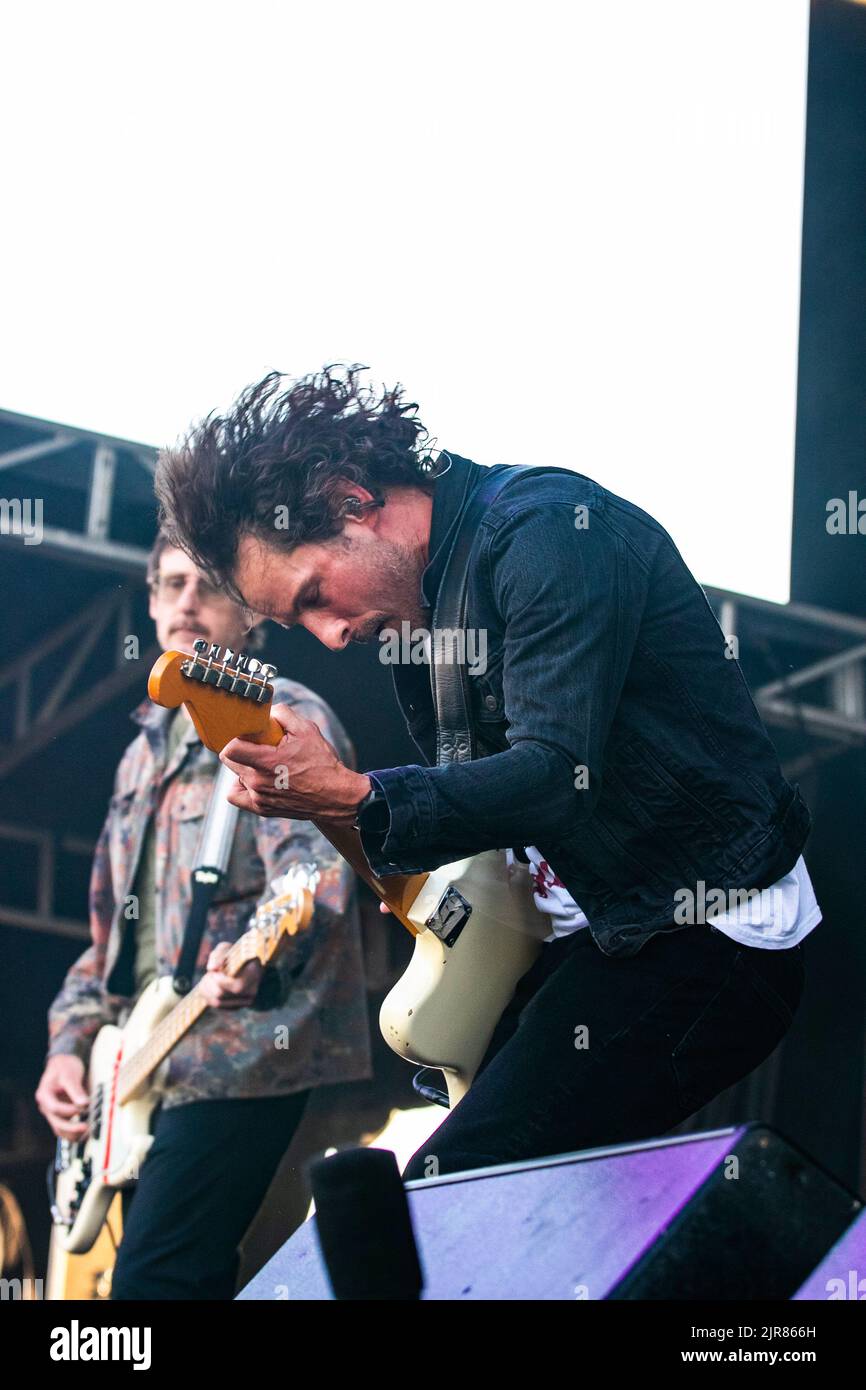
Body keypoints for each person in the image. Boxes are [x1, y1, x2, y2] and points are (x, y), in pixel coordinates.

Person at [153, 365, 820, 1183]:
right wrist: (335, 812)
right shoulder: (421, 622)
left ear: (351, 499)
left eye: (317, 594)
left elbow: (553, 778)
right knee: (531, 1208)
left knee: (464, 1184)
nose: (328, 636)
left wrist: (356, 795)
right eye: (300, 622)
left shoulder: (548, 532)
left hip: (705, 931)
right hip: (581, 938)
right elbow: (486, 826)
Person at [36, 531, 372, 1296]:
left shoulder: (279, 716)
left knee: (158, 1284)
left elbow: (317, 875)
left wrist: (259, 959)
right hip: (141, 1063)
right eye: (171, 584)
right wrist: (69, 1044)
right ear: (152, 604)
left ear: (249, 613)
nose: (187, 600)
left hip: (240, 1052)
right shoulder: (140, 756)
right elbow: (108, 940)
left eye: (208, 584)